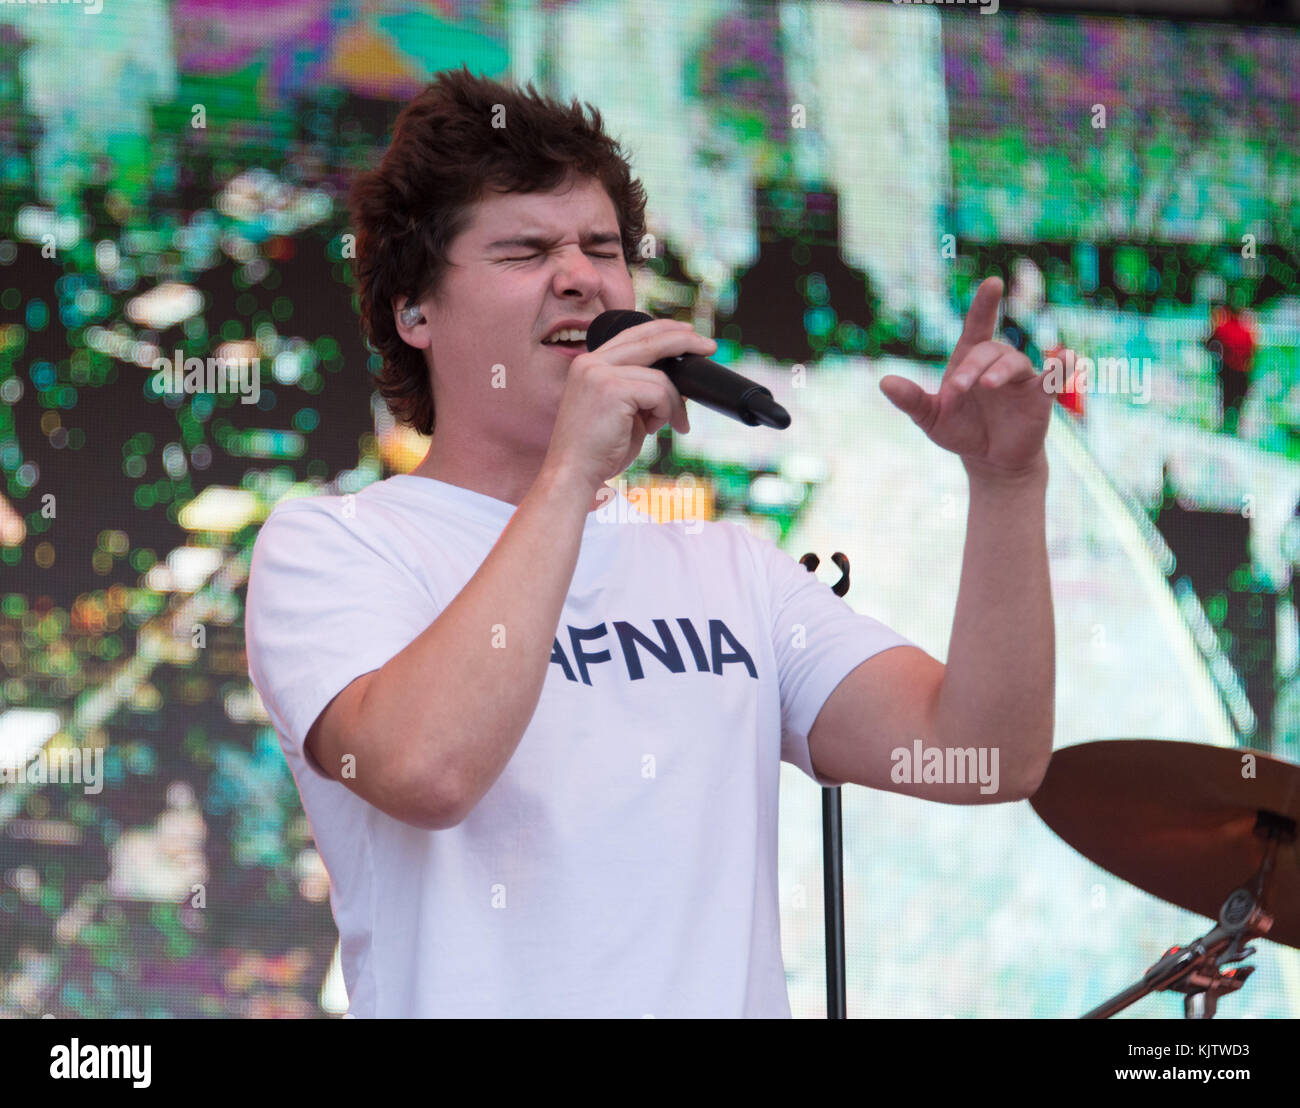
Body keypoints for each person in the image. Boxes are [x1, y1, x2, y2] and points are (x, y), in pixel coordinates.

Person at [243, 66, 1056, 1018]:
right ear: (413, 310)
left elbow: (982, 756)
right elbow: (426, 769)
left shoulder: (732, 569)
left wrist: (1007, 486)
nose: (581, 275)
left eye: (602, 247)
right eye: (524, 251)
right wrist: (569, 480)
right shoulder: (336, 549)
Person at [1205, 294, 1257, 435]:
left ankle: (1231, 428)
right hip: (1234, 371)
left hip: (1236, 371)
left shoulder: (1239, 326)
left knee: (1232, 401)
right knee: (1231, 401)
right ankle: (1229, 428)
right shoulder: (1232, 326)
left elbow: (1209, 341)